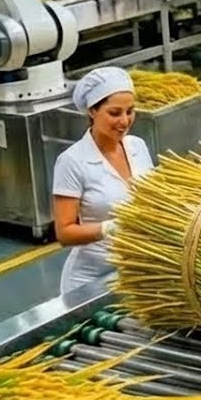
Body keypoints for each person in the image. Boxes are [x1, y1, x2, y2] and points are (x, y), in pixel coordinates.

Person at [52, 67, 156, 295]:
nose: (124, 121)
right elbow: (65, 232)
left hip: (136, 270)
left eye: (130, 111)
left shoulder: (137, 146)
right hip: (91, 281)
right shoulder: (72, 161)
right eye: (114, 113)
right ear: (92, 111)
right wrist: (110, 228)